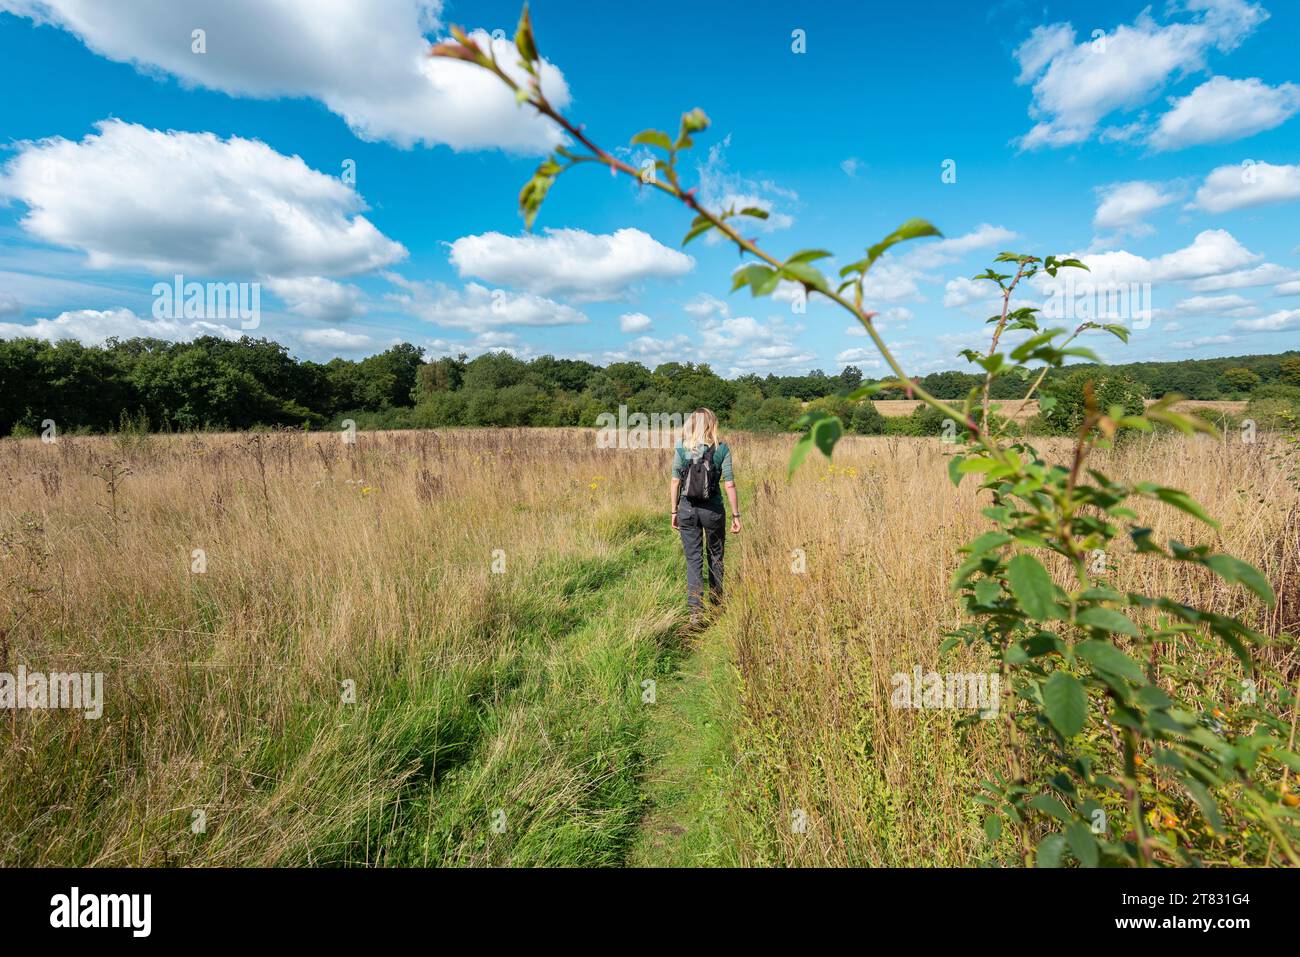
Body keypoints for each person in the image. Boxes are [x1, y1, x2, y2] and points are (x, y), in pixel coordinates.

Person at [670, 408, 741, 620]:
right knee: (716, 556)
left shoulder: (682, 448)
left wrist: (674, 510)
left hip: (687, 509)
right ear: (712, 425)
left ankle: (696, 611)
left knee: (693, 560)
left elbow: (675, 481)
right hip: (713, 510)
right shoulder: (721, 449)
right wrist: (736, 516)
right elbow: (729, 484)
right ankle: (717, 606)